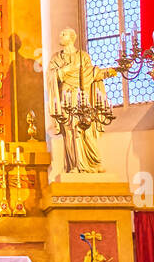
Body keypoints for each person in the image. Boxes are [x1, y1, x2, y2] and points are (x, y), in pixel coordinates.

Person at [45, 27, 115, 174]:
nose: (60, 35)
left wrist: (109, 72)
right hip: (66, 98)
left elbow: (92, 73)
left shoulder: (83, 56)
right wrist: (63, 71)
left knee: (86, 130)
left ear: (71, 37)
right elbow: (51, 77)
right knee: (70, 131)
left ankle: (93, 164)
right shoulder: (56, 58)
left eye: (63, 34)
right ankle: (75, 166)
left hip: (82, 98)